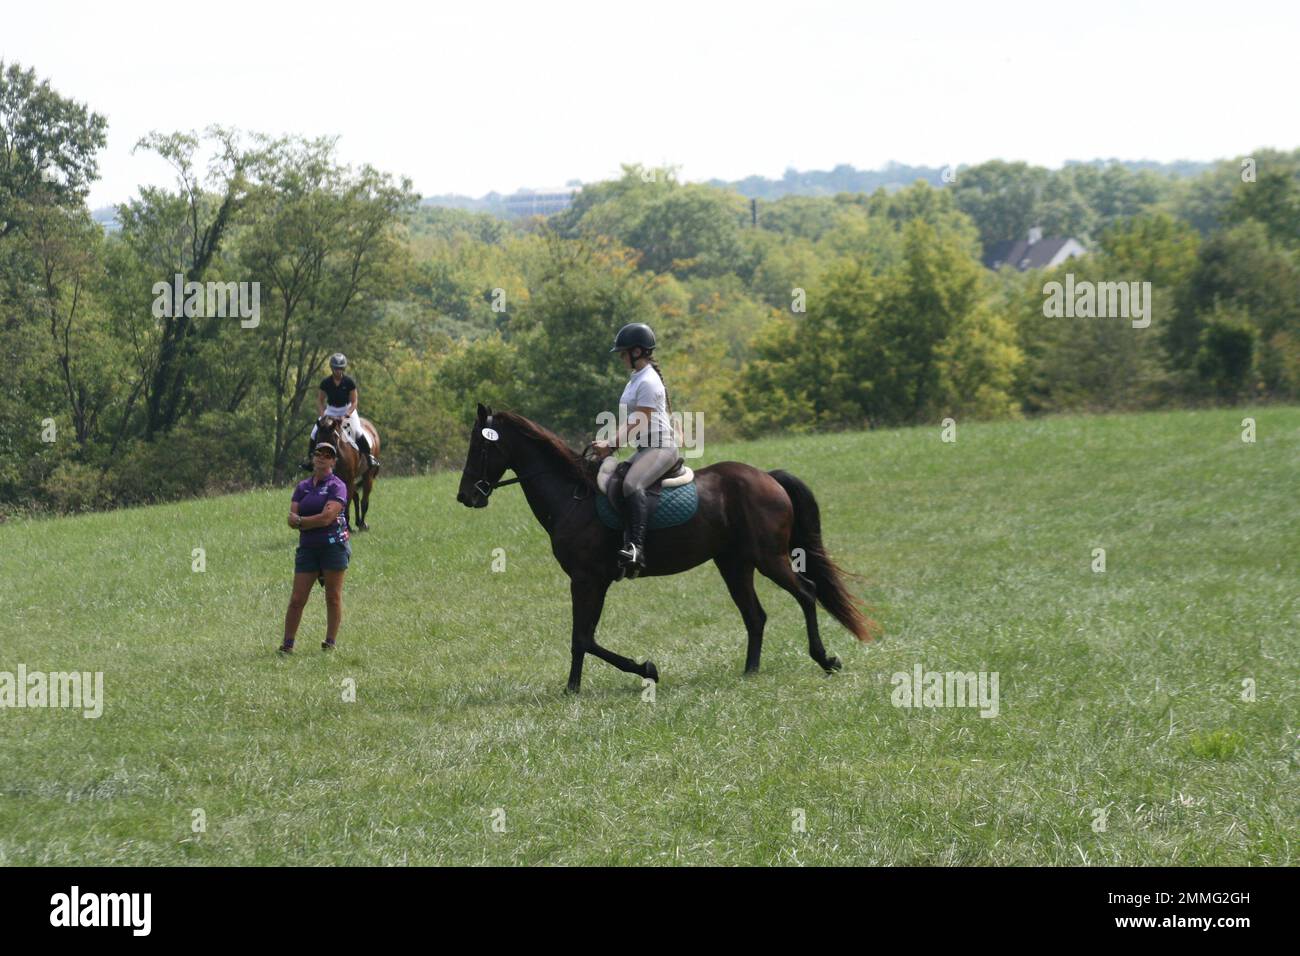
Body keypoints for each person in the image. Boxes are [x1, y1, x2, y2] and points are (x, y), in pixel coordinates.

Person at [592, 322, 678, 577]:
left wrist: (611, 445)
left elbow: (639, 420)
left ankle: (636, 548)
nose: (621, 357)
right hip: (644, 447)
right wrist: (608, 441)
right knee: (614, 479)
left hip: (661, 447)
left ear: (637, 351)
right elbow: (630, 420)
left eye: (623, 352)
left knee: (632, 485)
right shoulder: (636, 379)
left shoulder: (648, 381)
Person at [280, 441, 351, 653]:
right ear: (313, 458)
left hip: (333, 546)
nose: (322, 457)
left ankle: (330, 642)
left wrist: (302, 521)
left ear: (333, 461)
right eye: (318, 453)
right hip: (308, 548)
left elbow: (327, 518)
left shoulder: (337, 485)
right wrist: (303, 521)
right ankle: (287, 645)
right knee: (297, 598)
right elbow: (291, 518)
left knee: (332, 595)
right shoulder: (302, 487)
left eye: (328, 455)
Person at [302, 353, 378, 470]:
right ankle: (310, 460)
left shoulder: (349, 382)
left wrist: (346, 415)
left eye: (340, 368)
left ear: (343, 369)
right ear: (332, 368)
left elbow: (354, 402)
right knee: (314, 432)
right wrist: (323, 416)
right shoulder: (326, 382)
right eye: (336, 368)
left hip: (347, 410)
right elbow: (319, 401)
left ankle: (369, 458)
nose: (338, 371)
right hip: (331, 411)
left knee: (357, 431)